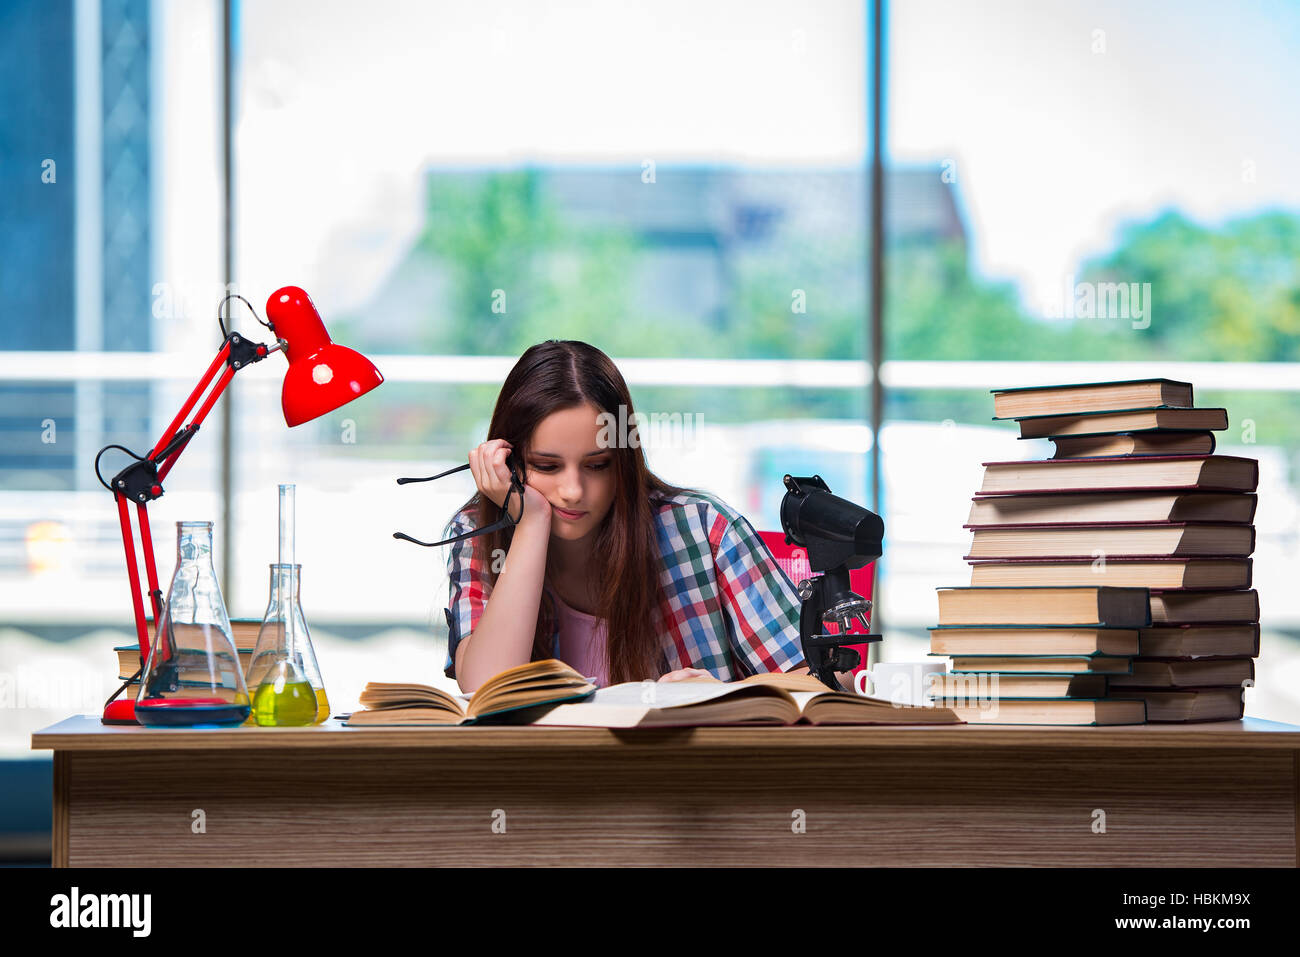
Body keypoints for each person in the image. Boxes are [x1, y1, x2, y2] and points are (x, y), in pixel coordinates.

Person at [441, 339, 832, 694]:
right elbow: (486, 688)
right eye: (546, 466)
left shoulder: (705, 530)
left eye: (597, 466)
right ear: (509, 463)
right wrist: (531, 523)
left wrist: (727, 693)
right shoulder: (477, 535)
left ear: (624, 463)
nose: (573, 490)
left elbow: (831, 679)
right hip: (546, 772)